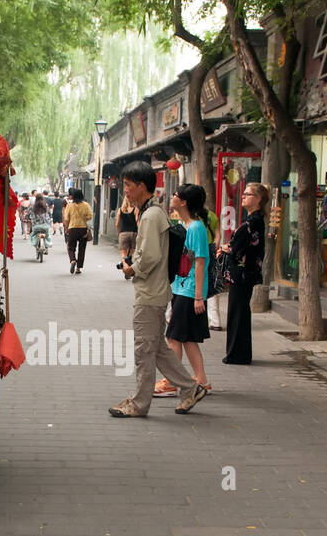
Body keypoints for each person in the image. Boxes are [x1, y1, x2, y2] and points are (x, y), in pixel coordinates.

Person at [110, 161, 208, 418]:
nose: (126, 192)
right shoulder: (153, 212)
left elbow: (150, 256)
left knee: (144, 350)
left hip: (150, 293)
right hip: (156, 291)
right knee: (157, 349)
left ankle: (139, 404)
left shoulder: (151, 215)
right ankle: (190, 388)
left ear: (142, 186)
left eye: (129, 186)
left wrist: (132, 268)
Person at [163, 184, 212, 393]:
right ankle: (201, 379)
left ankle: (173, 381)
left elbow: (200, 262)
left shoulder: (196, 228)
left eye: (175, 195)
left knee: (174, 337)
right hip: (183, 288)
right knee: (188, 338)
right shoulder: (187, 226)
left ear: (183, 202)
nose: (172, 197)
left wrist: (198, 296)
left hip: (190, 291)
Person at [222, 183, 268, 365]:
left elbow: (237, 247)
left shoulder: (253, 221)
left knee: (237, 312)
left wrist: (226, 249)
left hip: (243, 274)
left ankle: (237, 354)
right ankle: (239, 353)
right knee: (239, 312)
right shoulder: (252, 219)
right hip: (243, 273)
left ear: (258, 199)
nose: (244, 196)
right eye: (245, 193)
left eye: (248, 194)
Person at [63, 187, 93, 275]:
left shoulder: (69, 205)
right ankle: (78, 268)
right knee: (82, 249)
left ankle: (72, 260)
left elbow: (66, 218)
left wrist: (66, 229)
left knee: (71, 247)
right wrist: (83, 218)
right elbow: (90, 216)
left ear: (73, 196)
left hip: (72, 229)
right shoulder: (86, 205)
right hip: (83, 229)